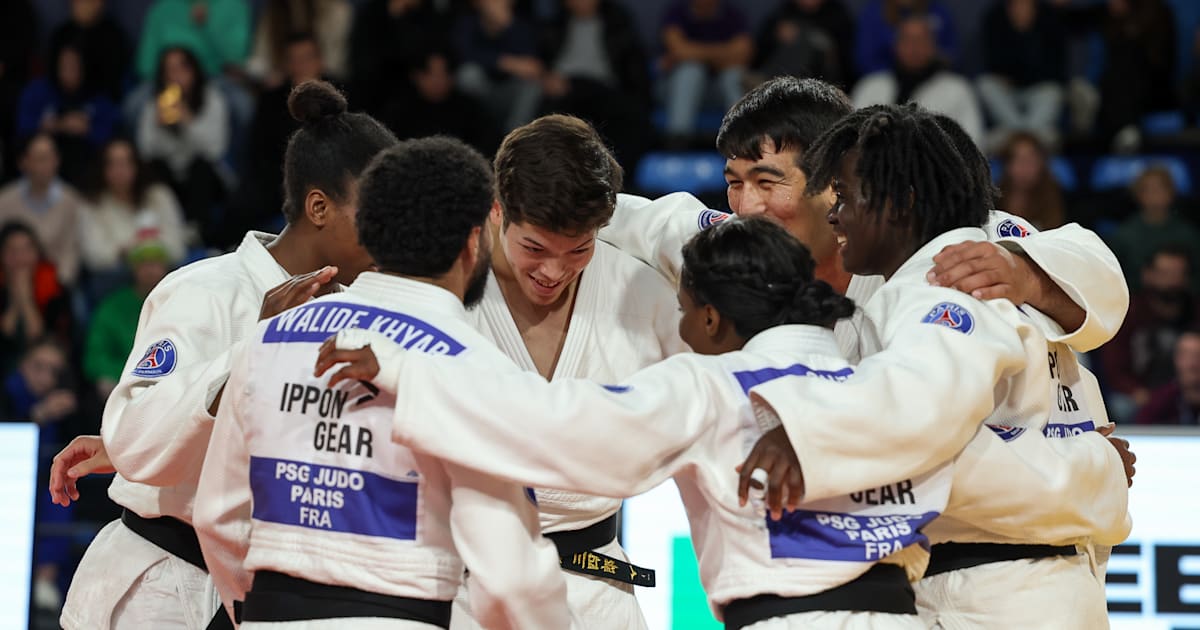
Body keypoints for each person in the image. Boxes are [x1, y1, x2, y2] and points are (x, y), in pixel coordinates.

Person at [316, 216, 939, 629]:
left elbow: (557, 425)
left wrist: (411, 373)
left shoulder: (711, 386)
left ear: (713, 319)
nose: (680, 328)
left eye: (683, 310)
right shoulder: (877, 387)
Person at [744, 104, 1125, 628]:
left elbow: (917, 419)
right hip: (996, 574)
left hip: (995, 584)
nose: (750, 204)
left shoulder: (953, 265)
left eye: (770, 182)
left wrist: (1024, 272)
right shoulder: (886, 277)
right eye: (736, 183)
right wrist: (1094, 466)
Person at [56, 80, 399, 630]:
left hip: (268, 592)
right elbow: (135, 441)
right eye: (377, 215)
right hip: (163, 583)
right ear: (319, 207)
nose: (390, 236)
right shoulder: (205, 291)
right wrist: (254, 349)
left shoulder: (360, 316)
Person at [195, 135, 573, 629]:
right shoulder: (475, 364)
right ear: (474, 241)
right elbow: (510, 578)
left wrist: (255, 611)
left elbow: (216, 516)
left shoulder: (272, 336)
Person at [449, 114, 685, 629]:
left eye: (579, 250)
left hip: (599, 593)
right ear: (497, 209)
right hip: (462, 593)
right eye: (534, 248)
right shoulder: (440, 287)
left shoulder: (641, 293)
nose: (553, 271)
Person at [536, 0, 654, 171]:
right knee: (545, 113)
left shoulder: (617, 24)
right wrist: (545, 77)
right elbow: (537, 63)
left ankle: (620, 177)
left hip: (605, 88)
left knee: (633, 117)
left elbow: (634, 69)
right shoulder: (552, 25)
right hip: (563, 89)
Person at [137, 46, 231, 246]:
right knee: (156, 168)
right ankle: (165, 234)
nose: (176, 76)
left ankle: (199, 234)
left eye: (182, 69)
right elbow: (145, 151)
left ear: (194, 72)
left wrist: (187, 121)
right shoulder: (154, 105)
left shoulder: (213, 100)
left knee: (200, 167)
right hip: (170, 177)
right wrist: (159, 126)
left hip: (204, 179)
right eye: (169, 70)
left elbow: (215, 150)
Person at [1103, 244, 1200, 422]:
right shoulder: (1127, 313)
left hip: (1187, 390)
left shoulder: (1195, 312)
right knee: (1121, 406)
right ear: (1147, 275)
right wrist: (1136, 391)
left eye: (1178, 274)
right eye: (1165, 274)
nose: (1173, 281)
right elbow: (1113, 367)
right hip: (1140, 393)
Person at [852, 15, 983, 147]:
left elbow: (973, 144)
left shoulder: (957, 89)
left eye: (921, 40)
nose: (914, 47)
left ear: (934, 46)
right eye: (908, 40)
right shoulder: (871, 86)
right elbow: (852, 138)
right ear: (896, 46)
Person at [79, 138, 186, 294]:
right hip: (119, 274)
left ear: (136, 165)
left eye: (125, 163)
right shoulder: (92, 204)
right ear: (102, 168)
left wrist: (151, 256)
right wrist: (132, 253)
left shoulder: (159, 195)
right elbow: (95, 257)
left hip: (163, 268)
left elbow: (177, 247)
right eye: (112, 164)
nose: (119, 170)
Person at [16, 41, 118, 187]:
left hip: (87, 171)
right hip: (43, 173)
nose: (69, 71)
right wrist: (54, 126)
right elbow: (22, 130)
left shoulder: (99, 96)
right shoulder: (37, 91)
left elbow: (111, 136)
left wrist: (87, 130)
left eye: (75, 66)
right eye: (64, 65)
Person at [83, 239, 172, 402]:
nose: (150, 270)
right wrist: (131, 377)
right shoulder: (112, 306)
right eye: (144, 263)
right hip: (123, 382)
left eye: (155, 263)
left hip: (171, 381)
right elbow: (95, 357)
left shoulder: (178, 300)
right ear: (134, 268)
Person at [658, 0, 752, 145]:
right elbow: (678, 50)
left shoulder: (732, 15)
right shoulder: (677, 13)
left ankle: (741, 141)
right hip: (675, 91)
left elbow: (744, 54)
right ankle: (678, 140)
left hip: (716, 92)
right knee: (691, 71)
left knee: (733, 75)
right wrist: (724, 55)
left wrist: (693, 53)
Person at [976, 0, 1067, 149]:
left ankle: (1010, 137)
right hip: (1008, 92)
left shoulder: (1049, 16)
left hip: (1039, 90)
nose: (1021, 8)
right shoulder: (995, 17)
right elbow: (995, 65)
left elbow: (1055, 69)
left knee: (1054, 91)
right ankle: (1037, 137)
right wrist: (1018, 30)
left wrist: (1026, 32)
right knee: (985, 84)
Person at [0, 133, 84, 286]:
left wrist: (59, 283)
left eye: (50, 158)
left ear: (57, 161)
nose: (45, 165)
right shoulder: (5, 200)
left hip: (57, 282)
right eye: (39, 159)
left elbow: (72, 250)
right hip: (10, 281)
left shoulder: (71, 200)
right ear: (23, 162)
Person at [452, 0, 543, 132]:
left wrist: (509, 24)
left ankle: (515, 136)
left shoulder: (521, 25)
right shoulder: (467, 23)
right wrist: (505, 62)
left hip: (509, 93)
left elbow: (532, 66)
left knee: (533, 84)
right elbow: (464, 54)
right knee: (468, 74)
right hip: (480, 94)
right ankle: (476, 131)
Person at [1108, 166, 1200, 293]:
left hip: (1183, 300)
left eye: (1161, 188)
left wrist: (1180, 281)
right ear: (1138, 194)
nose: (1155, 195)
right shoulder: (1123, 236)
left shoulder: (1189, 235)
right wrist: (1145, 281)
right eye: (1148, 190)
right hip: (1136, 300)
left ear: (1172, 192)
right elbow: (1112, 280)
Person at [0, 222, 73, 373]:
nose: (20, 258)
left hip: (43, 367)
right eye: (12, 250)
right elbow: (6, 336)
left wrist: (26, 300)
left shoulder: (55, 289)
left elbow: (40, 338)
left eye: (26, 249)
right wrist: (15, 302)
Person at [135, 0, 252, 81]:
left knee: (241, 103)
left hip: (215, 79)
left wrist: (208, 24)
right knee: (137, 103)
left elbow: (237, 59)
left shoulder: (233, 6)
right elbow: (146, 64)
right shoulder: (163, 8)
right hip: (166, 80)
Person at [752, 0, 856, 89]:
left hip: (825, 82)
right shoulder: (782, 14)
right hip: (776, 77)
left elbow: (847, 61)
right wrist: (776, 35)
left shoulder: (838, 16)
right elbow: (758, 55)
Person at [245, 0, 352, 86]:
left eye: (306, 58)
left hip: (327, 80)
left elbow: (336, 62)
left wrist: (313, 72)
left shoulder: (334, 10)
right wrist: (271, 75)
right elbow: (260, 59)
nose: (301, 65)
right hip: (282, 81)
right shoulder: (273, 11)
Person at [47, 0, 132, 101]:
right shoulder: (61, 34)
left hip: (98, 101)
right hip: (59, 99)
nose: (81, 5)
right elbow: (50, 77)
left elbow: (113, 86)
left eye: (87, 2)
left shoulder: (113, 37)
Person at [854, 0, 956, 76]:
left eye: (920, 41)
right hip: (887, 78)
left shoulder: (939, 12)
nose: (914, 47)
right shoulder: (874, 13)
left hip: (933, 79)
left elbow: (951, 55)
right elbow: (865, 60)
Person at [997, 131, 1065, 230]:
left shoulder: (1059, 197)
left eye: (1030, 161)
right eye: (1018, 160)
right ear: (1006, 165)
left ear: (1041, 163)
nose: (1024, 168)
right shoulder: (993, 199)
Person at [1137, 328, 1200, 425]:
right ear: (1175, 359)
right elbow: (1141, 429)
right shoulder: (1160, 401)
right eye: (1185, 356)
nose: (1192, 365)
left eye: (1197, 356)